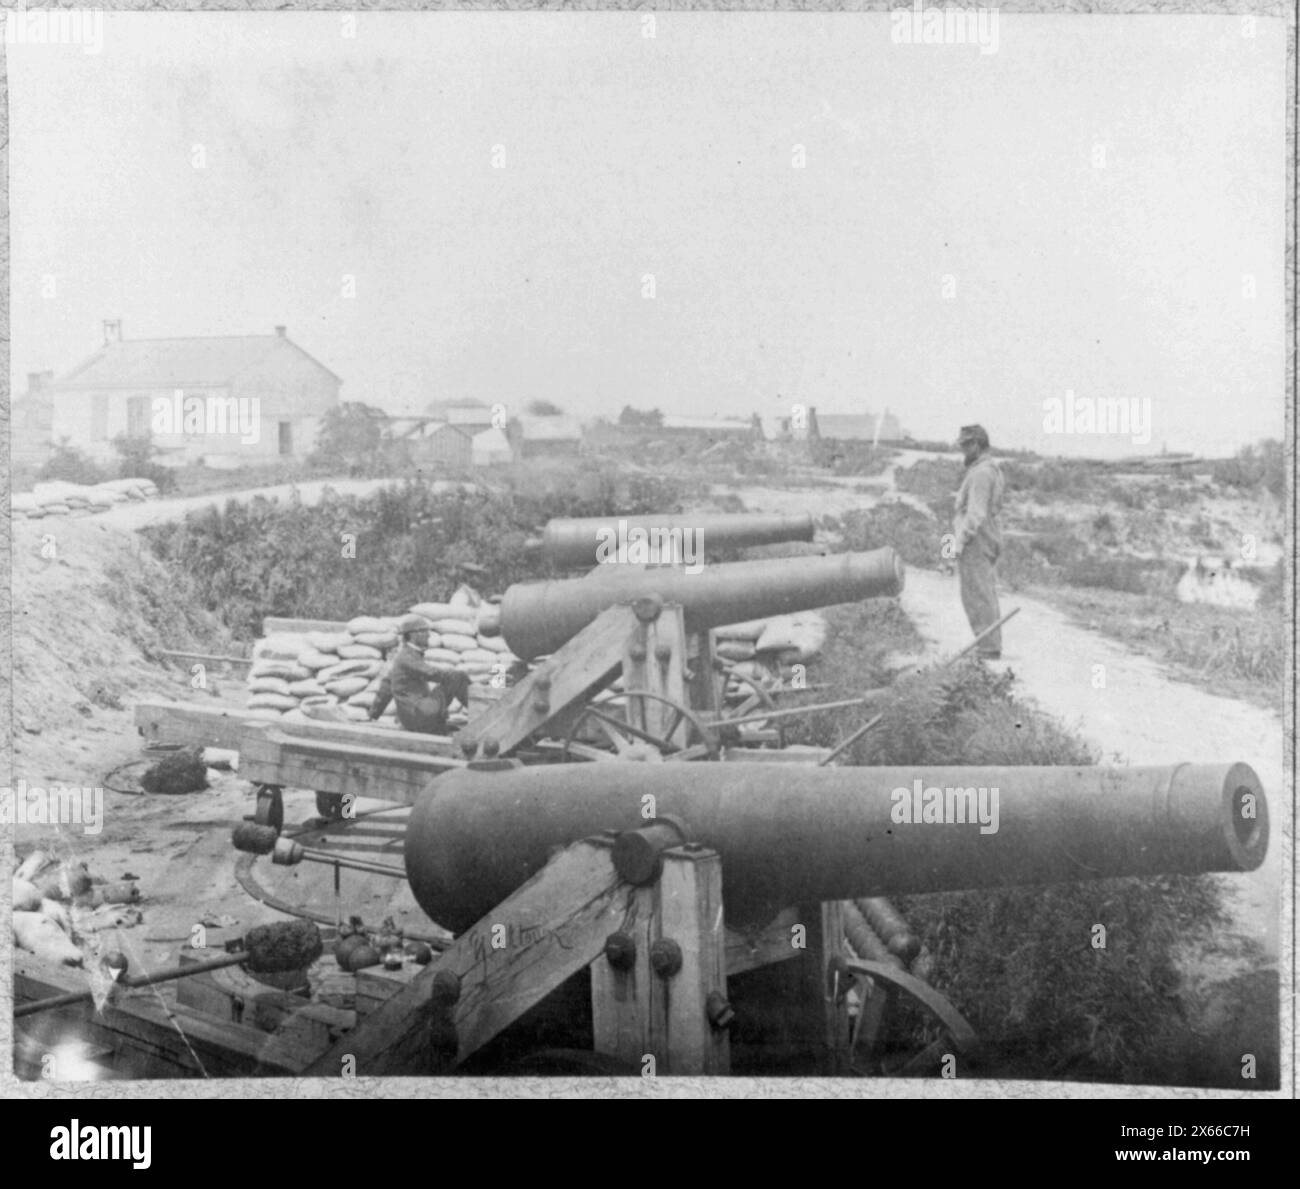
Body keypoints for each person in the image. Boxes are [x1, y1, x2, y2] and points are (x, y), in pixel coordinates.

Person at [953, 424, 1006, 659]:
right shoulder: (985, 469)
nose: (963, 451)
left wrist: (959, 543)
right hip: (986, 535)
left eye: (966, 446)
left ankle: (988, 648)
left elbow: (975, 514)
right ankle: (987, 644)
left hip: (978, 538)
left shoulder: (982, 472)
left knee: (977, 593)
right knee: (982, 591)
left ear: (977, 444)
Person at [368, 614, 471, 733]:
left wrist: (373, 714)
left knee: (454, 677)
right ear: (413, 635)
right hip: (419, 715)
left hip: (412, 717)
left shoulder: (403, 656)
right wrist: (462, 678)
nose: (428, 635)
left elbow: (386, 686)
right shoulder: (407, 657)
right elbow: (432, 673)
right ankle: (481, 713)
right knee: (457, 676)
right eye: (424, 631)